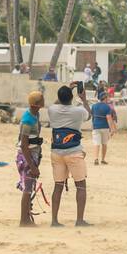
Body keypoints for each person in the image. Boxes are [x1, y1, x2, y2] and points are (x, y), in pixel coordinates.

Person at [48, 83, 92, 227]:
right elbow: (89, 115)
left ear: (59, 97)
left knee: (58, 186)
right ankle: (79, 220)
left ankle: (54, 220)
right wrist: (84, 99)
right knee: (80, 186)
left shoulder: (52, 110)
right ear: (72, 97)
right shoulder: (78, 111)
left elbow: (55, 104)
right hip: (74, 151)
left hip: (56, 151)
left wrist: (67, 88)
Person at [16, 90, 45, 226]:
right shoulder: (28, 120)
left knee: (29, 187)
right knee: (27, 189)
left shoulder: (35, 114)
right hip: (27, 156)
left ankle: (27, 217)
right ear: (37, 104)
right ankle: (24, 220)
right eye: (42, 99)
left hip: (32, 154)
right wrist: (32, 166)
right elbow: (23, 145)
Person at [90, 91, 117, 165]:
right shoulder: (107, 107)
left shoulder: (94, 106)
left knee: (96, 143)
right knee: (104, 143)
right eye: (107, 97)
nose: (108, 98)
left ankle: (96, 159)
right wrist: (112, 129)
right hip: (105, 127)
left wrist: (92, 125)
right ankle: (103, 159)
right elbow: (109, 118)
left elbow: (93, 116)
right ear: (105, 98)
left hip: (96, 126)